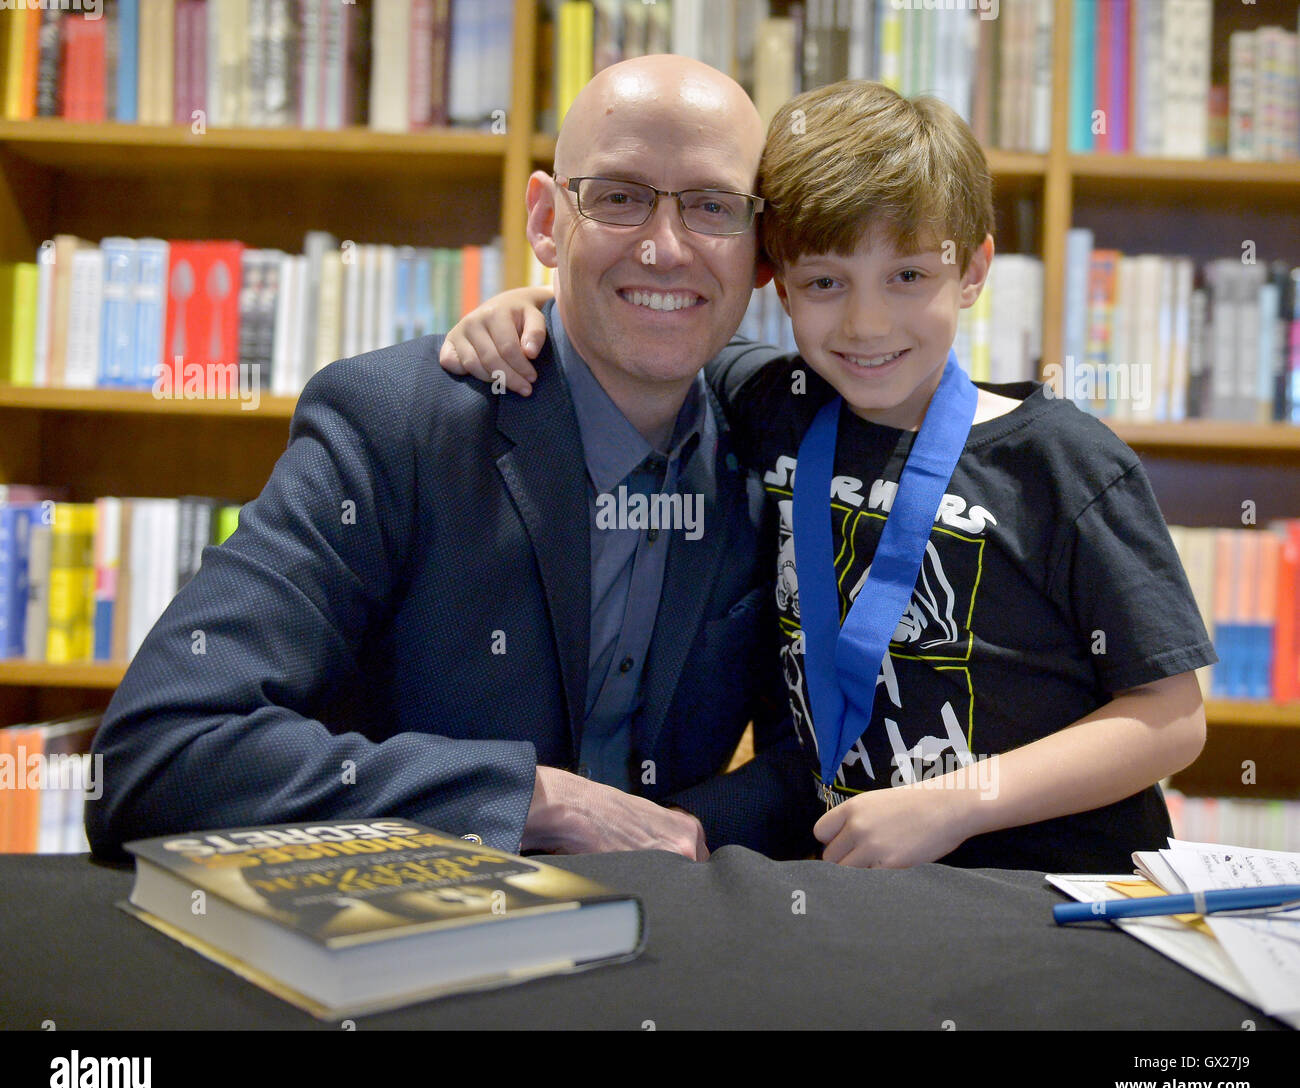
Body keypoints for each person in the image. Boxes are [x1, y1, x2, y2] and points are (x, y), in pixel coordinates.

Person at [441, 79, 1215, 872]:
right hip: (853, 884)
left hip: (1056, 890)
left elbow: (1173, 717)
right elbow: (643, 331)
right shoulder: (776, 403)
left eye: (909, 276)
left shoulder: (1061, 461)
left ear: (974, 269)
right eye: (825, 283)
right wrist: (530, 303)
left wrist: (956, 803)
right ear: (774, 280)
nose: (866, 323)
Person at [85, 55, 821, 863]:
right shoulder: (391, 425)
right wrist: (532, 801)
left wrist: (678, 834)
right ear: (546, 220)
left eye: (712, 207)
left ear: (762, 253)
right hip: (397, 951)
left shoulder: (775, 456)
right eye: (619, 197)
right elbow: (155, 754)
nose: (665, 249)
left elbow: (805, 766)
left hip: (656, 952)